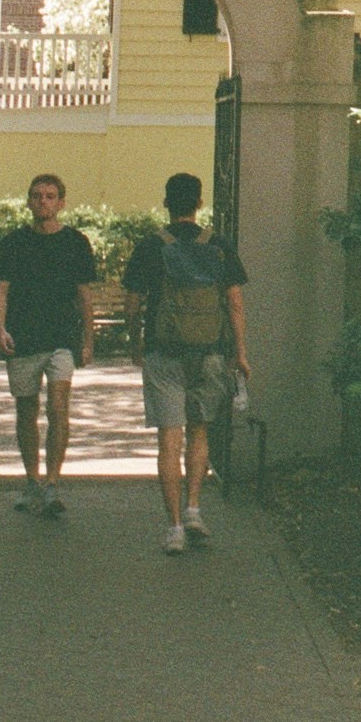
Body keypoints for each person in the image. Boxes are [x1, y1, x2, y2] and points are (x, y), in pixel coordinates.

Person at [120, 170, 249, 555]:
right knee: (199, 432)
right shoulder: (219, 245)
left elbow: (133, 301)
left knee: (168, 439)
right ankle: (194, 508)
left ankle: (173, 527)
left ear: (166, 202)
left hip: (165, 351)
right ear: (198, 203)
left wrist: (135, 341)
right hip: (208, 351)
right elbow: (235, 302)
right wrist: (240, 352)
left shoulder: (151, 246)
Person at [0, 173, 99, 516]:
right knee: (26, 411)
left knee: (58, 408)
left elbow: (84, 295)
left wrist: (88, 339)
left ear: (61, 202)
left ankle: (52, 482)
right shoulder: (13, 243)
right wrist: (1, 328)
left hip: (61, 338)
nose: (43, 202)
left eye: (50, 196)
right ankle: (31, 479)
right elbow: (0, 289)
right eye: (37, 196)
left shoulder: (76, 243)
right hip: (24, 336)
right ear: (29, 201)